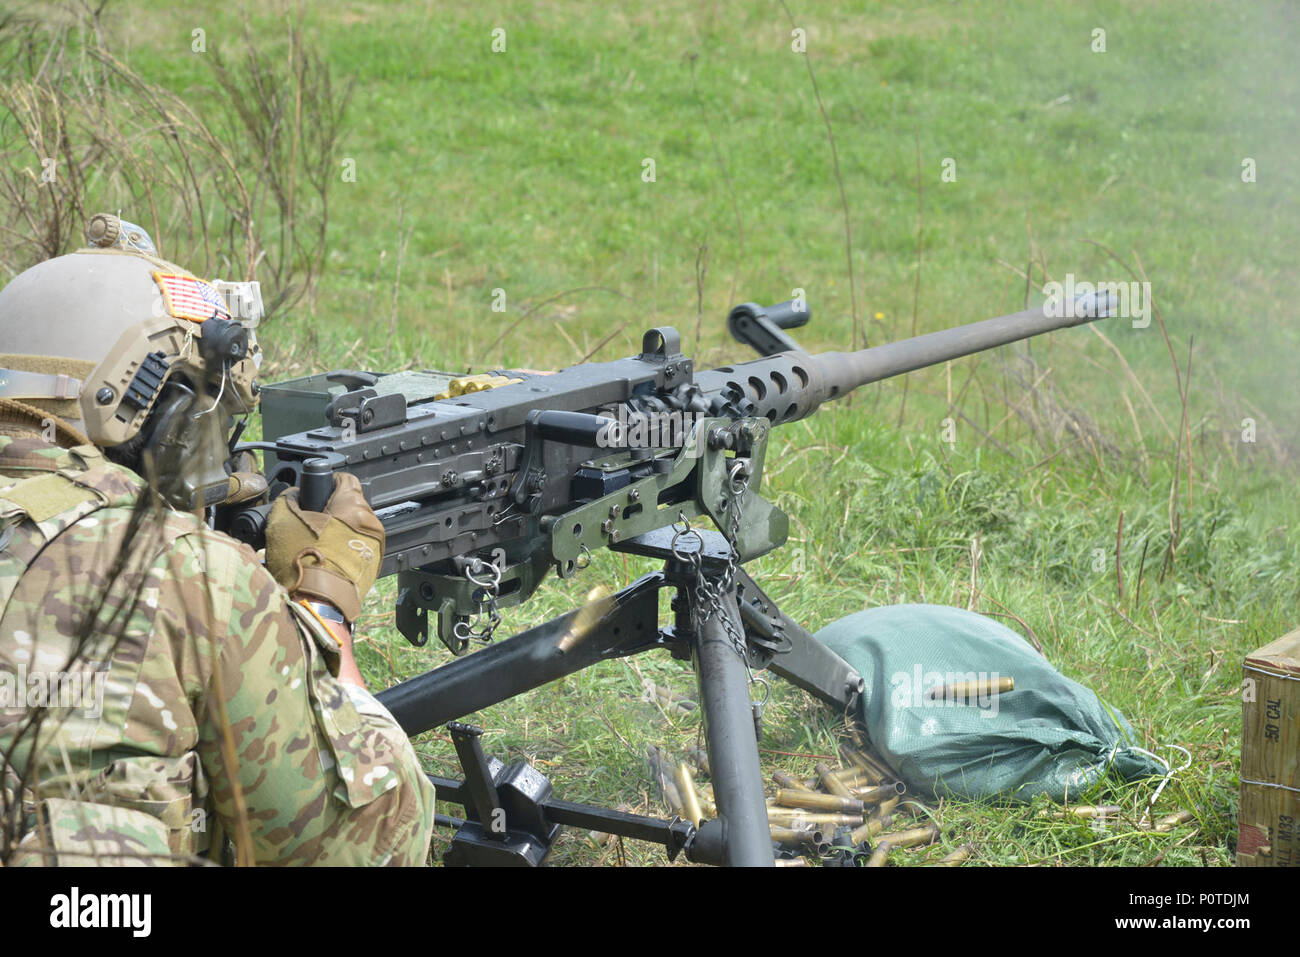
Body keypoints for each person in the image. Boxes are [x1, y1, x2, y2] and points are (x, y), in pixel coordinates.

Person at [0, 214, 435, 865]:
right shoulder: (184, 576)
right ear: (164, 418)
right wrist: (323, 613)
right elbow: (372, 842)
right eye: (203, 422)